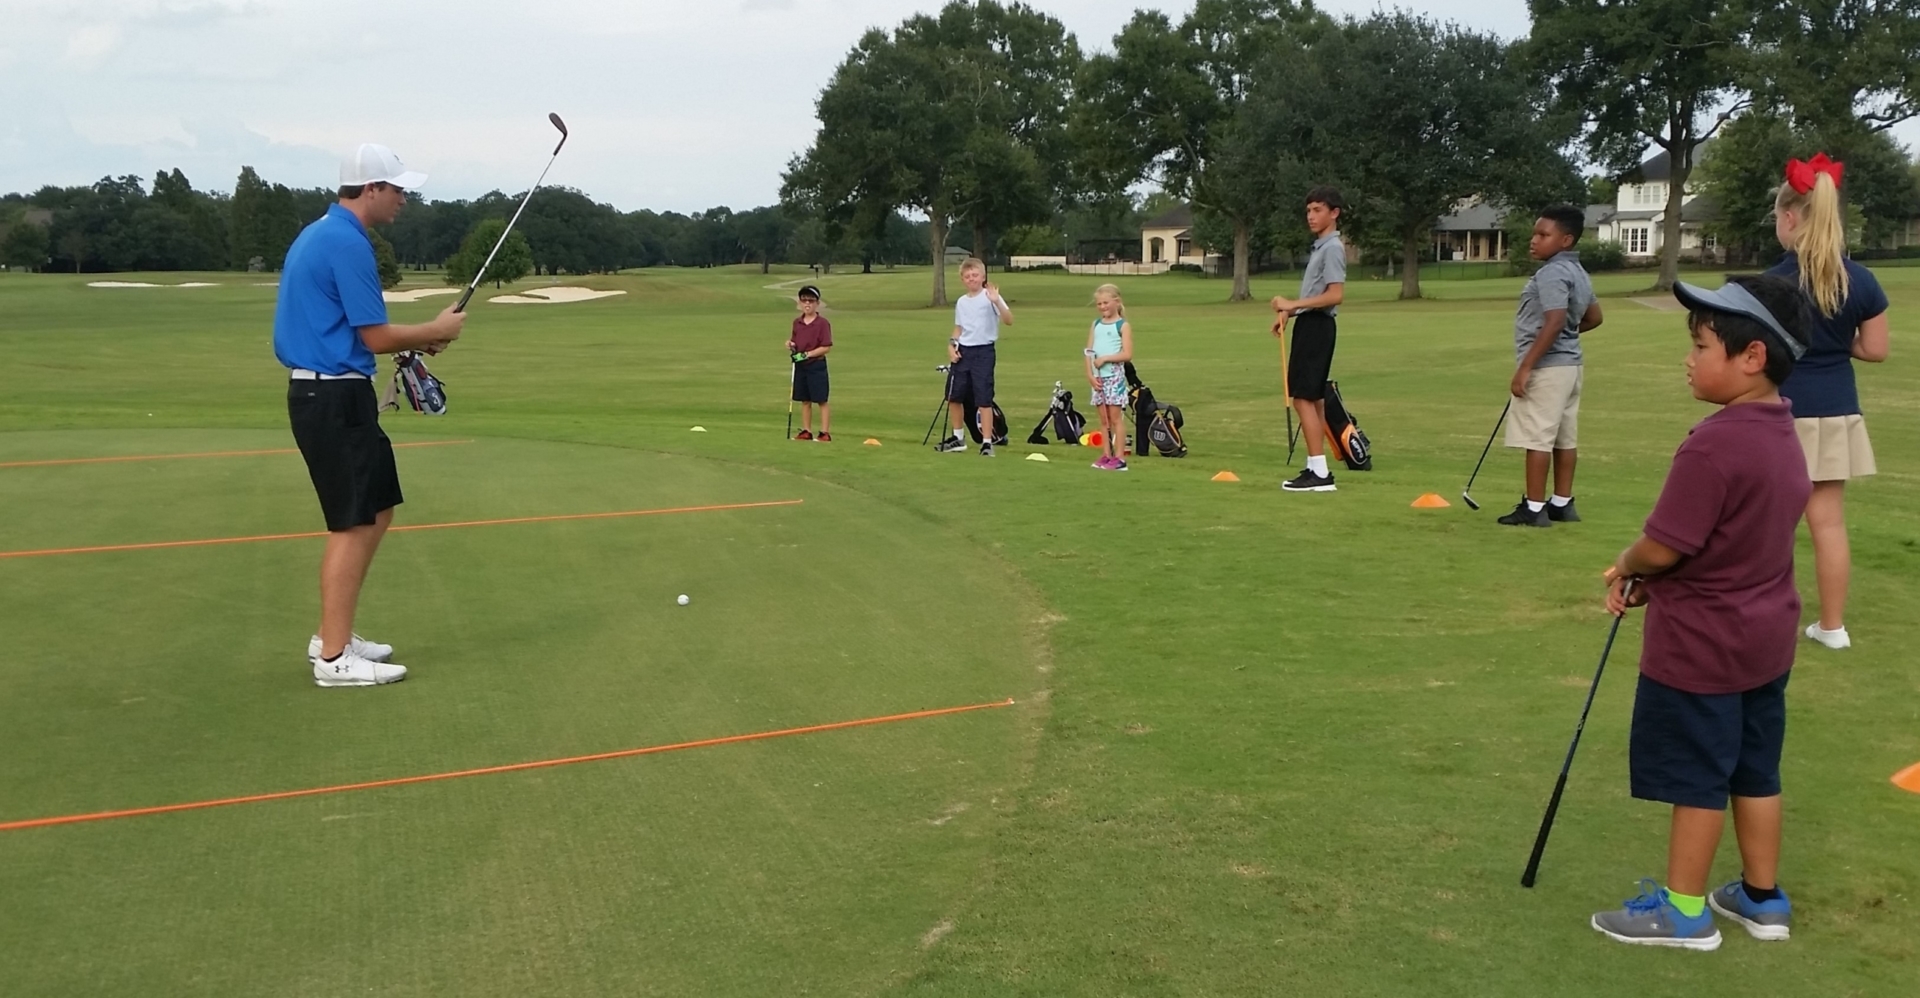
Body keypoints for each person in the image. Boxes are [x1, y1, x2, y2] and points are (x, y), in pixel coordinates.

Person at [1589, 275, 1812, 950]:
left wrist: (1629, 565)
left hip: (1702, 648)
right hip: (1764, 642)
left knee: (1698, 777)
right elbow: (1727, 544)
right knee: (1754, 769)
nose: (1688, 358)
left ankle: (1686, 913)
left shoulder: (1713, 444)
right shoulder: (1781, 428)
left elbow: (1666, 544)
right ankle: (1761, 897)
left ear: (1752, 358)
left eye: (1702, 344)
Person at [275, 143, 465, 687]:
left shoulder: (323, 232)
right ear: (371, 189)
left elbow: (362, 334)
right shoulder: (346, 242)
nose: (405, 198)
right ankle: (334, 659)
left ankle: (333, 632)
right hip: (331, 397)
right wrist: (433, 331)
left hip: (337, 394)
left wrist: (423, 339)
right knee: (353, 523)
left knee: (377, 508)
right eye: (398, 188)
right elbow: (375, 336)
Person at [1766, 153, 1891, 651]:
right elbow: (1877, 350)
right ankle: (1833, 627)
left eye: (1778, 216)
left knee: (1771, 522)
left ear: (1791, 217)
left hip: (1780, 412)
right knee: (1828, 521)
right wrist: (1841, 346)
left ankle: (1768, 619)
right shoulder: (1859, 280)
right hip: (1837, 407)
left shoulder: (1773, 281)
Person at [1498, 204, 1605, 527]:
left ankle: (1533, 507)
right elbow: (1594, 317)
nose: (1534, 240)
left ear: (1566, 240)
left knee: (1538, 438)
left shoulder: (1552, 273)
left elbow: (1555, 320)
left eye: (1544, 235)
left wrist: (1526, 367)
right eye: (1535, 233)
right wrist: (1565, 337)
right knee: (1564, 437)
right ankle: (1561, 502)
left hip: (1548, 368)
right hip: (1571, 366)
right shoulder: (1578, 271)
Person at [1270, 187, 1347, 492]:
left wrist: (1291, 304)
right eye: (1308, 211)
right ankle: (1316, 467)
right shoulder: (1320, 247)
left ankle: (1319, 471)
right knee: (1311, 398)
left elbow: (1335, 294)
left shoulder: (1332, 248)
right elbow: (1315, 292)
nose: (1311, 216)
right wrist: (1290, 314)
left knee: (1303, 396)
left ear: (1334, 212)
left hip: (1318, 326)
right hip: (1309, 323)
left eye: (1318, 210)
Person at [937, 258, 1014, 456]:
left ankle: (987, 442)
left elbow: (1008, 320)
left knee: (983, 398)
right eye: (967, 276)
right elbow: (959, 328)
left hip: (983, 352)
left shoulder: (990, 296)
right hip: (964, 351)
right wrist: (951, 345)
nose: (972, 279)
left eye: (975, 275)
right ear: (962, 279)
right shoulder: (962, 302)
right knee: (954, 396)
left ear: (983, 276)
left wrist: (997, 300)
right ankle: (958, 437)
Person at [1085, 283, 1135, 471]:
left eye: (1106, 302)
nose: (1103, 307)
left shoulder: (1123, 325)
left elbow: (1127, 354)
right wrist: (1090, 375)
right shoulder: (1096, 324)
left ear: (1116, 302)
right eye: (1099, 304)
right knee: (1103, 420)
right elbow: (1089, 352)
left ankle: (1119, 457)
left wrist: (1106, 358)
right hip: (1098, 377)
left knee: (1115, 418)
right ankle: (1106, 455)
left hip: (1113, 376)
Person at [787, 285, 833, 441]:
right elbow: (795, 340)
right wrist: (790, 344)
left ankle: (824, 433)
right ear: (800, 303)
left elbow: (826, 347)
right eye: (804, 300)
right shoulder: (797, 323)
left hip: (816, 365)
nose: (807, 304)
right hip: (801, 365)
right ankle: (806, 431)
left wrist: (808, 354)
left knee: (821, 399)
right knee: (805, 400)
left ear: (817, 303)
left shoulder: (822, 324)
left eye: (811, 301)